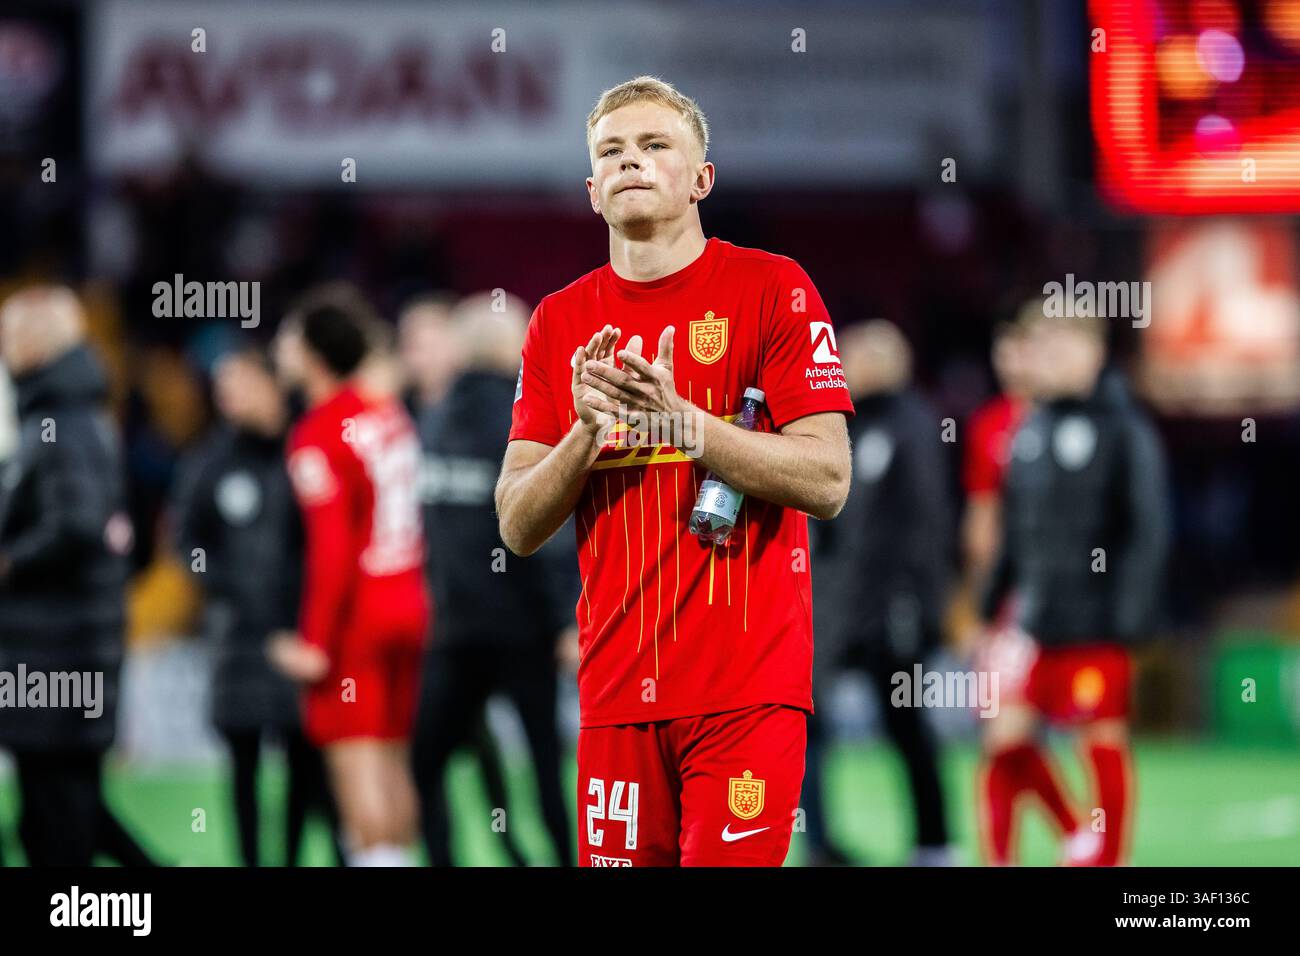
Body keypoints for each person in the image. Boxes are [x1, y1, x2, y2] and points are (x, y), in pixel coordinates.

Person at [497, 76, 853, 866]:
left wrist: (683, 424)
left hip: (746, 691)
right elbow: (517, 524)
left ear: (702, 179)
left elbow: (828, 481)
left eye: (655, 145)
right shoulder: (559, 322)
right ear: (593, 192)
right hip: (614, 694)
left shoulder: (774, 290)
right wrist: (584, 438)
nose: (632, 162)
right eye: (611, 153)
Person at [977, 309, 1170, 866]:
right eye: (1044, 348)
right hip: (1037, 621)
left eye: (1062, 348)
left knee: (1101, 740)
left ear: (1094, 353)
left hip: (1098, 623)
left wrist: (1131, 614)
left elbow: (1148, 527)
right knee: (1005, 742)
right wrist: (994, 599)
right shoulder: (1030, 430)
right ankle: (1060, 840)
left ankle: (1108, 858)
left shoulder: (1124, 428)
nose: (1050, 359)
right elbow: (1017, 529)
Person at [411, 291, 576, 866]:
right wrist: (564, 621)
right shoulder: (524, 418)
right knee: (547, 767)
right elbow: (547, 531)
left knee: (423, 764)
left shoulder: (433, 421)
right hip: (523, 628)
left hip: (455, 630)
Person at [270, 286, 430, 867]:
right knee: (392, 760)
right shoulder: (386, 416)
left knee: (357, 763)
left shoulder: (318, 433)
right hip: (409, 599)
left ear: (313, 353)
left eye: (290, 336)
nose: (279, 346)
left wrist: (314, 642)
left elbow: (333, 549)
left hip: (358, 618)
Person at [0, 285, 155, 866]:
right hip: (55, 645)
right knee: (59, 812)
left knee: (62, 815)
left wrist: (11, 561)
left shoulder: (60, 423)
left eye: (10, 333)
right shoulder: (66, 416)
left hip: (59, 653)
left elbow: (80, 524)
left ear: (37, 342)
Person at [171, 346, 339, 865]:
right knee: (241, 766)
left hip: (301, 636)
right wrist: (225, 587)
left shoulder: (307, 449)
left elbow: (330, 539)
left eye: (239, 382)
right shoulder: (210, 463)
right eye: (223, 387)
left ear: (270, 383)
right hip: (239, 640)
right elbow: (185, 544)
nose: (228, 396)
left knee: (303, 764)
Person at [802, 321, 956, 866]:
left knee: (908, 726)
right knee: (806, 723)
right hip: (841, 609)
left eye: (849, 357)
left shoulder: (911, 426)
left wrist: (918, 605)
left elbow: (928, 526)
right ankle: (819, 842)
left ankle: (936, 843)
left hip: (891, 610)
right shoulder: (847, 427)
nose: (837, 365)